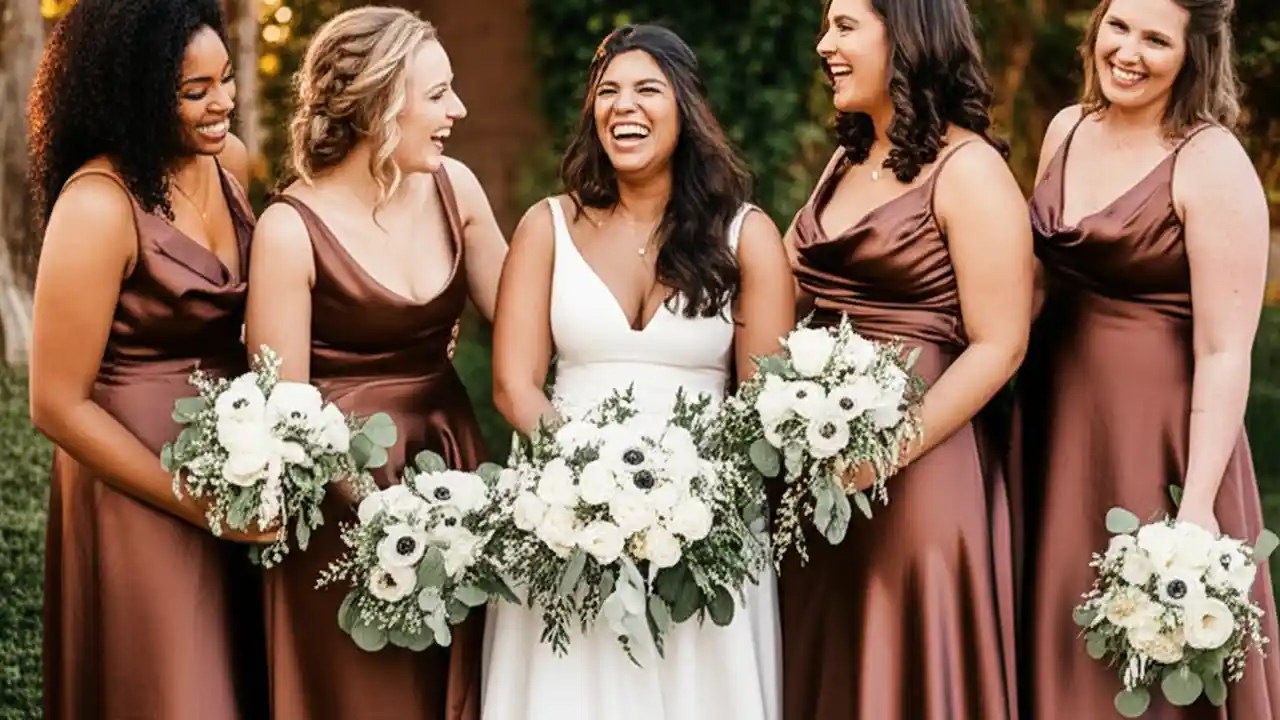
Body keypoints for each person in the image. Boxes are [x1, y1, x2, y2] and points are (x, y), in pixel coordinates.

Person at [484, 23, 795, 720]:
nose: (624, 106)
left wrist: (680, 500)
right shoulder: (547, 226)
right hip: (564, 517)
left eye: (647, 89)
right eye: (608, 92)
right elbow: (513, 384)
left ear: (686, 108)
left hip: (705, 519)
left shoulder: (747, 236)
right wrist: (588, 488)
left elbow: (764, 405)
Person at [1015, 0, 1280, 716]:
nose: (1128, 51)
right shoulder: (1067, 129)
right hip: (1049, 424)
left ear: (1193, 53)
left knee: (1138, 656)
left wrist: (1194, 508)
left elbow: (1226, 352)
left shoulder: (1211, 160)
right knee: (1049, 632)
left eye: (1156, 39)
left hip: (1154, 442)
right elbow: (1035, 285)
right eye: (1119, 26)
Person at [244, 7, 507, 719]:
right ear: (380, 103)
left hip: (451, 471)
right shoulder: (288, 231)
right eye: (437, 94)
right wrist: (380, 512)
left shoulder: (459, 188)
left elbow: (529, 330)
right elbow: (286, 417)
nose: (458, 108)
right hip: (340, 505)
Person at [778, 0, 1032, 717]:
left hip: (921, 473)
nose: (825, 43)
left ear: (909, 33)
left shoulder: (970, 170)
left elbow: (1000, 343)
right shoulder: (845, 158)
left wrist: (885, 450)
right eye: (827, 26)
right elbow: (791, 288)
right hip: (821, 471)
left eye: (846, 26)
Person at [28, 0, 269, 717]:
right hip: (136, 491)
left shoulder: (230, 163)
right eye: (195, 93)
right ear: (132, 90)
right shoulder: (98, 205)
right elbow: (54, 403)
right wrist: (198, 504)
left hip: (238, 466)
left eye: (224, 79)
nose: (222, 103)